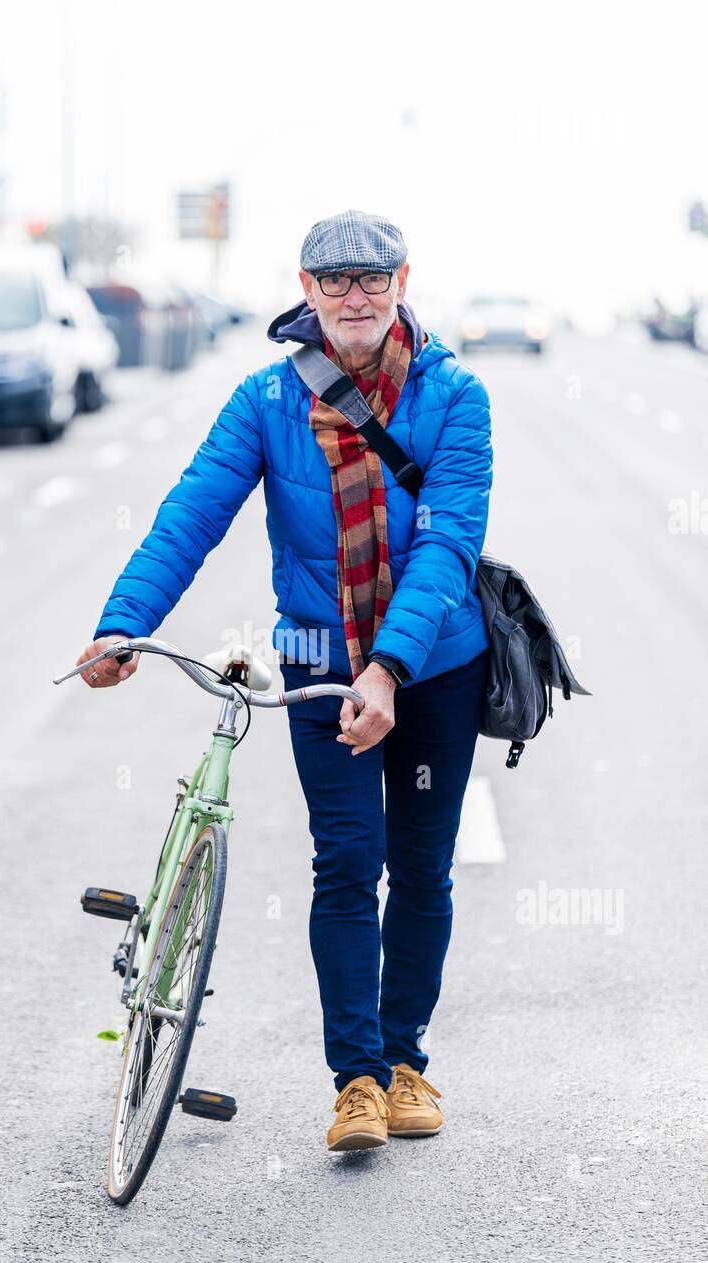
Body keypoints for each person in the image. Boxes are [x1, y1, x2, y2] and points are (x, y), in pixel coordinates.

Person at [75, 209, 493, 1153]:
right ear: (305, 289)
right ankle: (354, 1083)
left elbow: (448, 544)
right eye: (333, 279)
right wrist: (123, 622)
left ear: (400, 283)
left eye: (371, 278)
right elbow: (193, 512)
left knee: (420, 866)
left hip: (434, 667)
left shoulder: (454, 395)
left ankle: (403, 1062)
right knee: (348, 862)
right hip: (315, 661)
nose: (353, 295)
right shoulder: (265, 400)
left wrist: (387, 668)